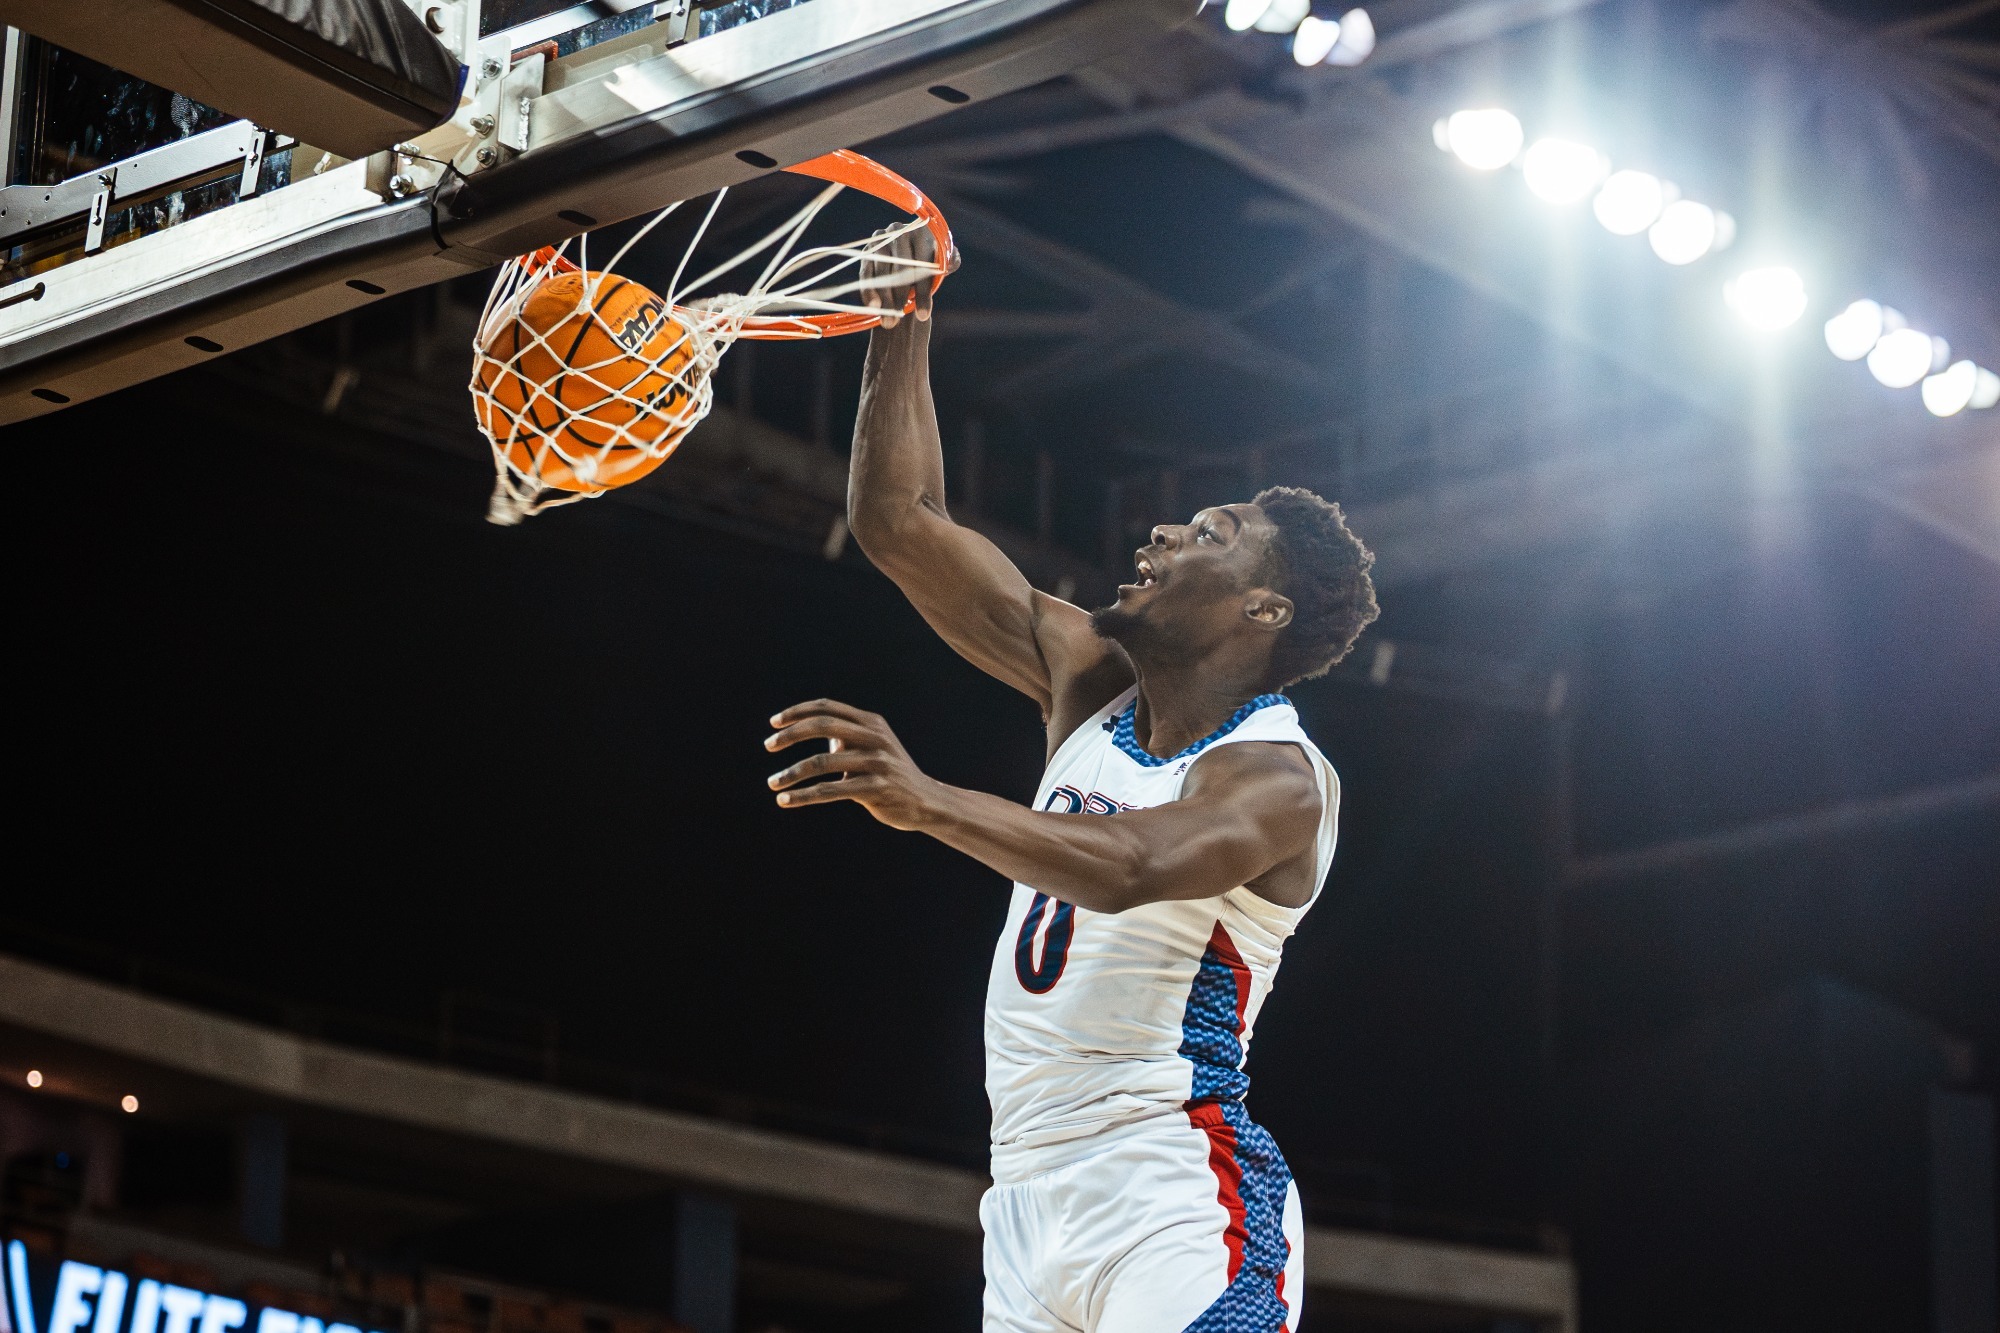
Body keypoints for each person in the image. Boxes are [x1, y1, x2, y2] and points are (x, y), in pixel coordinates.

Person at [762, 243, 1379, 1333]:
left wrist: (927, 800)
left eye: (1213, 534)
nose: (1166, 531)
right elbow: (899, 520)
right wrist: (903, 316)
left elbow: (1132, 864)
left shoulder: (1277, 779)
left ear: (1263, 612)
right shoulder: (1086, 678)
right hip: (1022, 1197)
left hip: (1173, 1187)